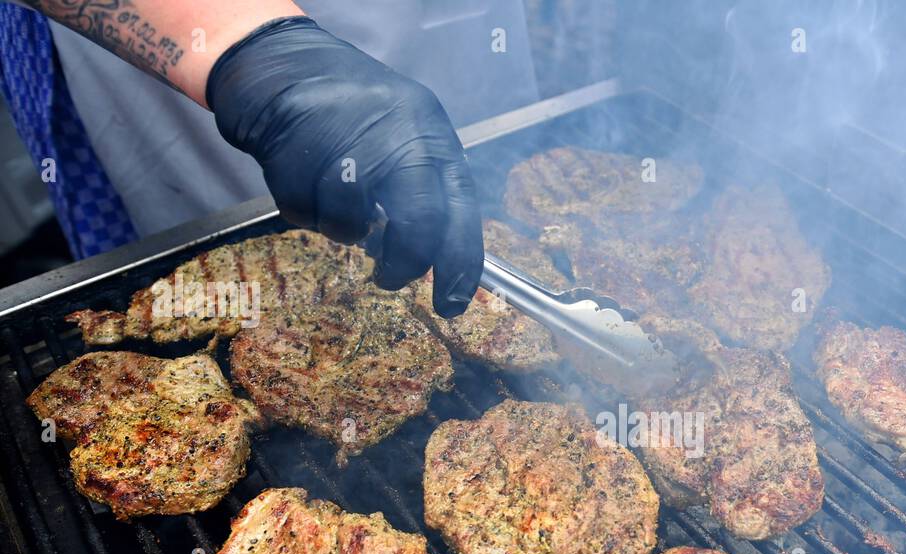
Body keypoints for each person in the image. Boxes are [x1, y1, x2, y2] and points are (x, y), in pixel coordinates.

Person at [0, 1, 543, 317]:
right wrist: (244, 44)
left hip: (439, 21)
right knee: (250, 286)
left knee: (475, 202)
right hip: (184, 45)